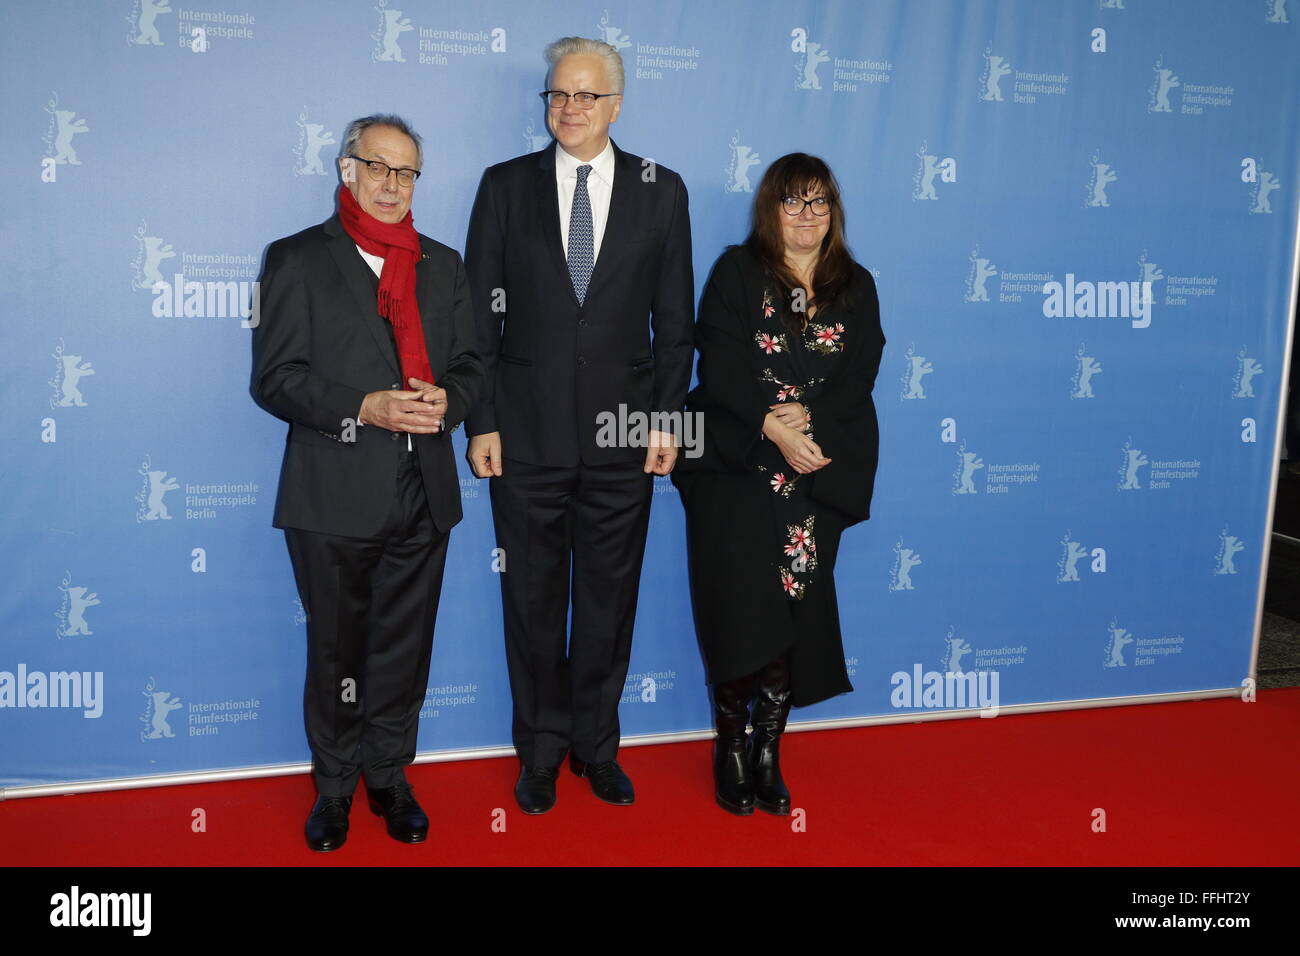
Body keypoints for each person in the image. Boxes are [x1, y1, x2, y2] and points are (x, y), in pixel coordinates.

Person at [463, 37, 694, 813]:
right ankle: (540, 751)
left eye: (585, 96)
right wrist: (482, 422)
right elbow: (475, 323)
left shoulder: (664, 192)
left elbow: (676, 323)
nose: (568, 109)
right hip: (523, 440)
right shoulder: (503, 187)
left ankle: (596, 746)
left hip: (625, 439)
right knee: (530, 604)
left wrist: (666, 423)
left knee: (607, 600)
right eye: (557, 95)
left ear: (616, 105)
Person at [251, 114, 483, 850]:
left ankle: (389, 775)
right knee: (337, 650)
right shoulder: (296, 260)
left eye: (406, 172)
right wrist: (365, 406)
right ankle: (333, 790)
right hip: (333, 495)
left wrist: (451, 400)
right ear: (345, 169)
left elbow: (475, 366)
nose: (391, 184)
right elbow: (276, 380)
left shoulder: (442, 264)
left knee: (403, 647)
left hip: (424, 490)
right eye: (377, 167)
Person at [671, 153, 885, 815]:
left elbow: (861, 374)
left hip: (816, 471)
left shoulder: (857, 284)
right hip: (736, 462)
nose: (807, 215)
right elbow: (722, 363)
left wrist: (808, 420)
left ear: (834, 211)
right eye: (793, 202)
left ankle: (769, 747)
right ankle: (731, 747)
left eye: (819, 202)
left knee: (794, 608)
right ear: (771, 209)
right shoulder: (738, 271)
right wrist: (772, 424)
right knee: (738, 604)